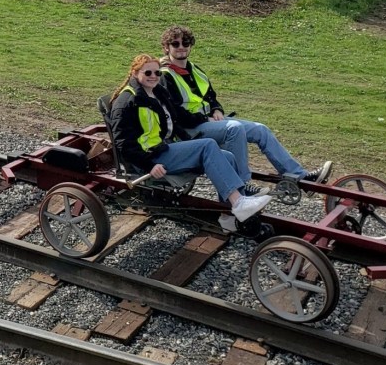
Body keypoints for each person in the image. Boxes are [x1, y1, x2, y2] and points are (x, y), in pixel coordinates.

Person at [157, 26, 331, 194]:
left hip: (210, 121)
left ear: (191, 45)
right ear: (166, 47)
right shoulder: (165, 75)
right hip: (190, 129)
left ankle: (300, 177)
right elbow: (175, 114)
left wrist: (216, 109)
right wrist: (205, 119)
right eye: (175, 44)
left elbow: (210, 96)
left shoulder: (195, 70)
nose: (181, 47)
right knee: (235, 128)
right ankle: (241, 184)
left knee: (260, 130)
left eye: (185, 43)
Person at [108, 54, 273, 224]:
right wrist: (149, 165)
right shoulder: (127, 101)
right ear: (135, 73)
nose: (153, 76)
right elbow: (123, 144)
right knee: (208, 145)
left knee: (228, 157)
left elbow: (176, 119)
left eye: (157, 73)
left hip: (166, 148)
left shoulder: (158, 92)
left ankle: (229, 216)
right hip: (151, 157)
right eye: (148, 73)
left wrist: (194, 132)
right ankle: (239, 203)